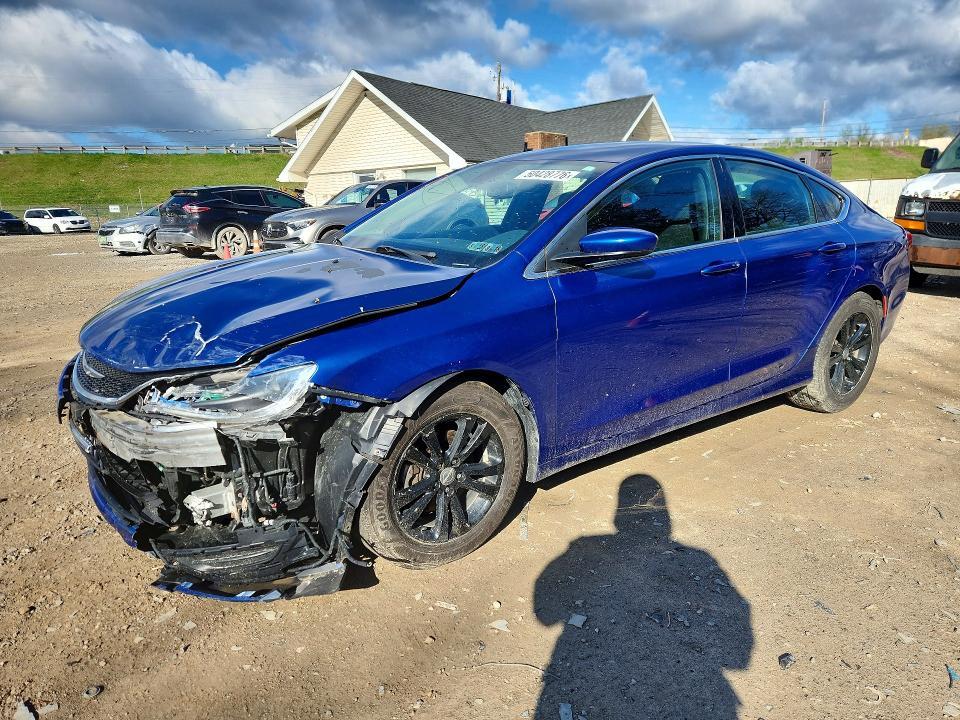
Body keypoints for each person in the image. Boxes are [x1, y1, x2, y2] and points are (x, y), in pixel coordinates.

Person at [534, 474, 753, 719]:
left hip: (584, 670)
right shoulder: (701, 558)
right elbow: (739, 656)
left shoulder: (582, 546)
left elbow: (544, 614)